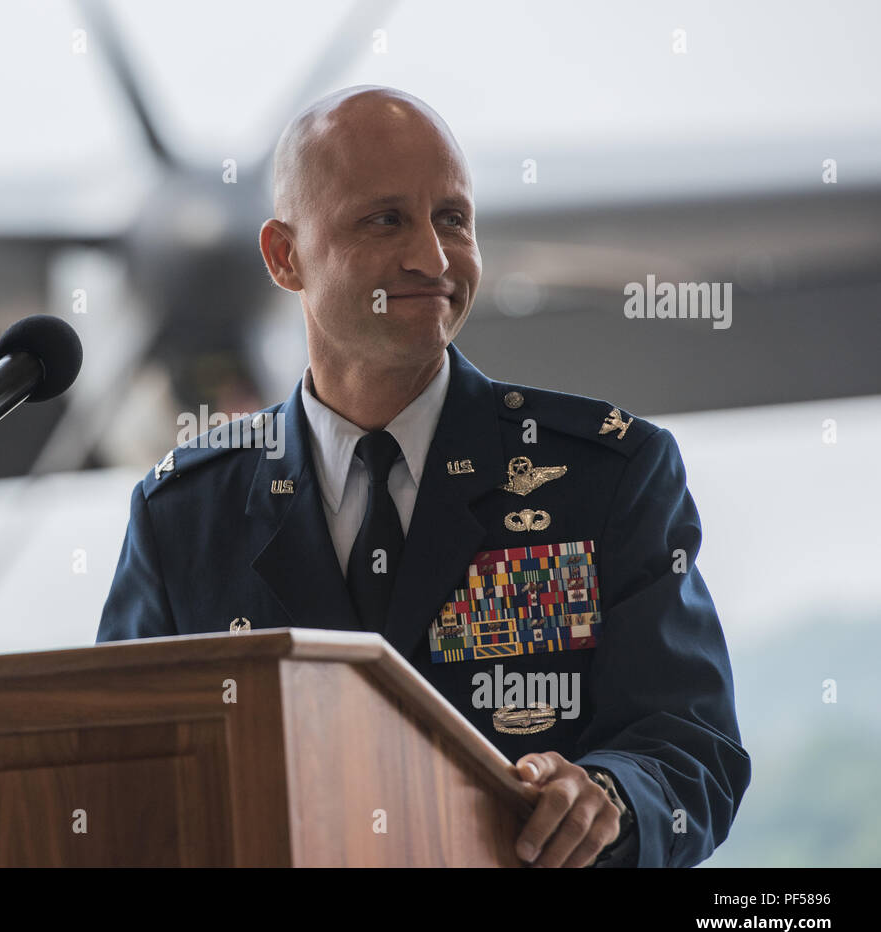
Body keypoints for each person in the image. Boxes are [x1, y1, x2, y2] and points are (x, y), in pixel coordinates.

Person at [95, 85, 750, 868]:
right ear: (283, 255)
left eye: (453, 219)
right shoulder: (183, 518)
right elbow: (120, 777)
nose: (434, 259)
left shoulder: (608, 475)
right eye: (386, 220)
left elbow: (691, 747)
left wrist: (608, 796)